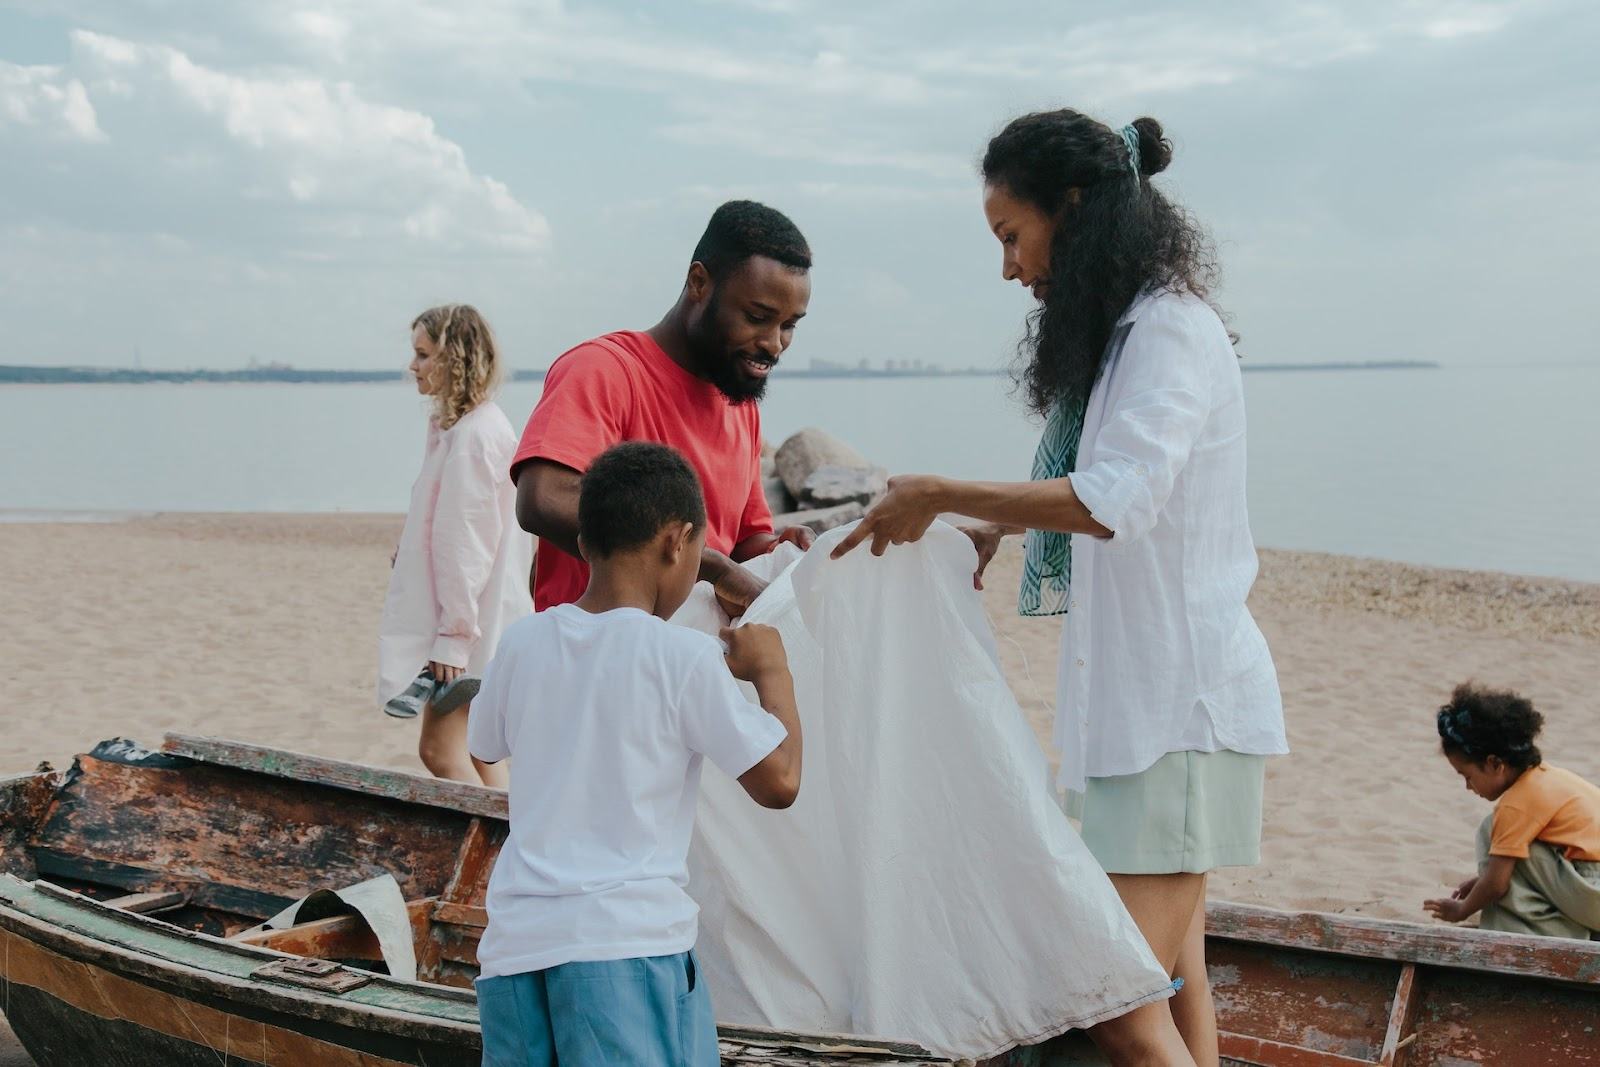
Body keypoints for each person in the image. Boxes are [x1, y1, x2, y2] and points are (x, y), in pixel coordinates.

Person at [832, 109, 1287, 1066]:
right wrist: (994, 520)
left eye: (1011, 234)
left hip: (1177, 716)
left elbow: (1119, 496)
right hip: (1143, 720)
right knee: (1175, 982)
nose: (1008, 267)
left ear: (1071, 209)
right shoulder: (1128, 336)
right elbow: (1110, 484)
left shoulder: (1170, 329)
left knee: (1110, 1004)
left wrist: (945, 490)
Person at [468, 442, 803, 1066]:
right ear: (679, 544)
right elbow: (780, 781)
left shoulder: (523, 642)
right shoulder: (682, 656)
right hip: (626, 950)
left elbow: (485, 742)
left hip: (516, 948)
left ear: (583, 542)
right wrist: (773, 675)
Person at [512, 200, 816, 615]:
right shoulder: (605, 370)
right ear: (699, 283)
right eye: (756, 316)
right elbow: (542, 500)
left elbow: (741, 543)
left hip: (687, 662)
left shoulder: (740, 403)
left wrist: (778, 548)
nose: (774, 343)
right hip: (588, 660)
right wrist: (705, 565)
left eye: (789, 325)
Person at [377, 304, 532, 788]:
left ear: (454, 358)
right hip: (482, 617)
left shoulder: (473, 437)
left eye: (423, 355)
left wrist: (453, 637)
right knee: (480, 750)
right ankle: (508, 850)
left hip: (472, 625)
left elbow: (466, 544)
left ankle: (502, 853)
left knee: (440, 749)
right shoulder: (466, 429)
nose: (413, 366)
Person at [1424, 683, 1600, 939]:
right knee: (1511, 848)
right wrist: (1479, 881)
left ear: (1495, 763)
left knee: (1492, 830)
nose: (1467, 786)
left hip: (1593, 891)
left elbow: (1497, 885)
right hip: (1588, 885)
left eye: (1467, 776)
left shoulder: (1516, 804)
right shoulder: (1550, 777)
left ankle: (1528, 939)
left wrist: (1462, 909)